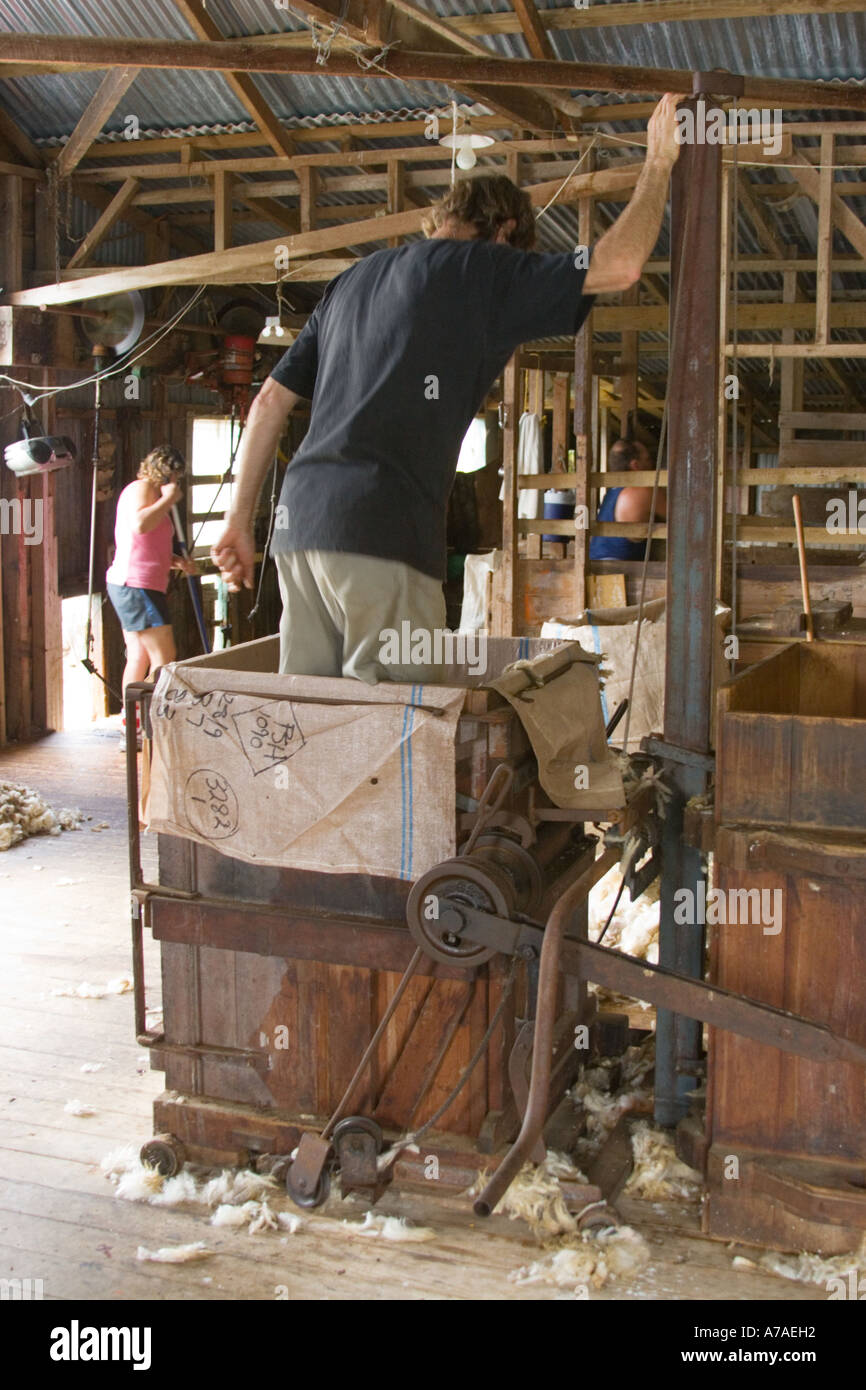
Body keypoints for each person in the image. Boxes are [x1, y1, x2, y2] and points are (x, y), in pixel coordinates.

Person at [212, 93, 683, 681]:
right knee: (398, 736)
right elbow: (621, 267)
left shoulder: (351, 280)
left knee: (311, 728)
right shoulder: (483, 269)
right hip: (381, 534)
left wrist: (236, 521)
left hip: (300, 532)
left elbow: (268, 401)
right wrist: (659, 165)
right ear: (506, 231)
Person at [106, 444, 198, 697]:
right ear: (167, 472)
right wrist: (169, 499)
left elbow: (147, 546)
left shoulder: (150, 494)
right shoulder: (142, 488)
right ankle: (152, 721)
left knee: (139, 655)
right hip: (137, 585)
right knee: (164, 656)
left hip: (133, 583)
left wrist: (177, 561)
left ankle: (133, 720)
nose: (177, 482)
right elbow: (140, 525)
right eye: (176, 476)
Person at [589, 438, 667, 562]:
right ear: (635, 465)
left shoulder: (611, 493)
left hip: (595, 563)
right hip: (621, 574)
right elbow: (677, 517)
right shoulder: (643, 492)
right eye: (647, 459)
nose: (652, 463)